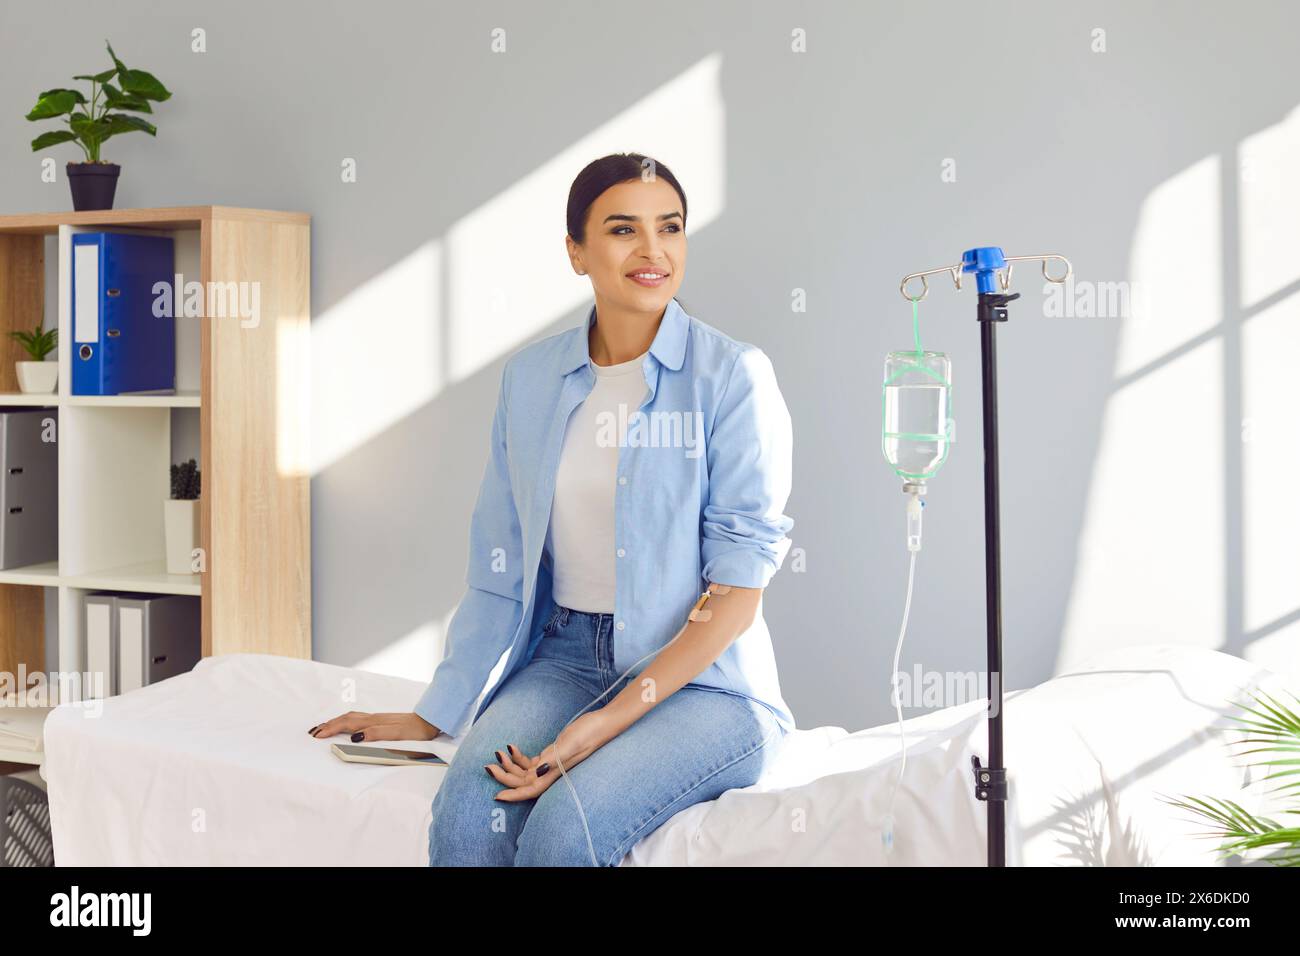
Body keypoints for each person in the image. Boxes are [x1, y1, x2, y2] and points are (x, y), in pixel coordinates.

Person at [310, 152, 797, 866]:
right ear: (577, 252)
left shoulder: (732, 378)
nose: (653, 250)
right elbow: (498, 565)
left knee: (562, 834)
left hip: (705, 684)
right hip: (565, 657)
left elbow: (734, 598)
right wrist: (434, 711)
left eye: (672, 228)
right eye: (623, 230)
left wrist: (600, 727)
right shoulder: (533, 379)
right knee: (468, 821)